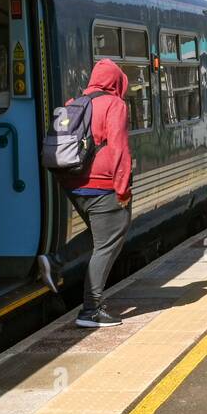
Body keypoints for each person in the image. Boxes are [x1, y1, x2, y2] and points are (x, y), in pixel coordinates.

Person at [60, 58, 133, 327]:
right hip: (102, 185)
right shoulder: (115, 104)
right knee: (108, 242)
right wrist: (122, 188)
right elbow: (119, 149)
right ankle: (91, 310)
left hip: (73, 184)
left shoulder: (73, 104)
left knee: (98, 236)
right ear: (116, 82)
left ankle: (55, 260)